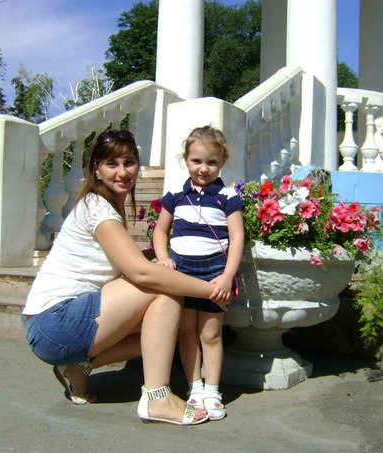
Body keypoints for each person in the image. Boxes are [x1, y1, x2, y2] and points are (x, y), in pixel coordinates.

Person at [21, 129, 232, 426]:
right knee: (166, 291)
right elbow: (141, 273)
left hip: (52, 324)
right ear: (96, 169)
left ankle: (80, 368)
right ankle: (157, 398)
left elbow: (132, 263)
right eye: (112, 164)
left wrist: (168, 259)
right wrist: (211, 290)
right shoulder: (97, 208)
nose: (123, 172)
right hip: (55, 321)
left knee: (164, 326)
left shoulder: (106, 206)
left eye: (129, 163)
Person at [152, 125, 244, 421]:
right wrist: (163, 258)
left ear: (223, 162)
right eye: (196, 161)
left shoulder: (228, 196)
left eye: (212, 162)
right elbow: (160, 231)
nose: (203, 168)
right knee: (187, 333)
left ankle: (213, 391)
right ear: (186, 159)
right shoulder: (176, 195)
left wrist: (227, 276)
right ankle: (195, 388)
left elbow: (237, 238)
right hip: (181, 274)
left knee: (211, 334)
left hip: (214, 275)